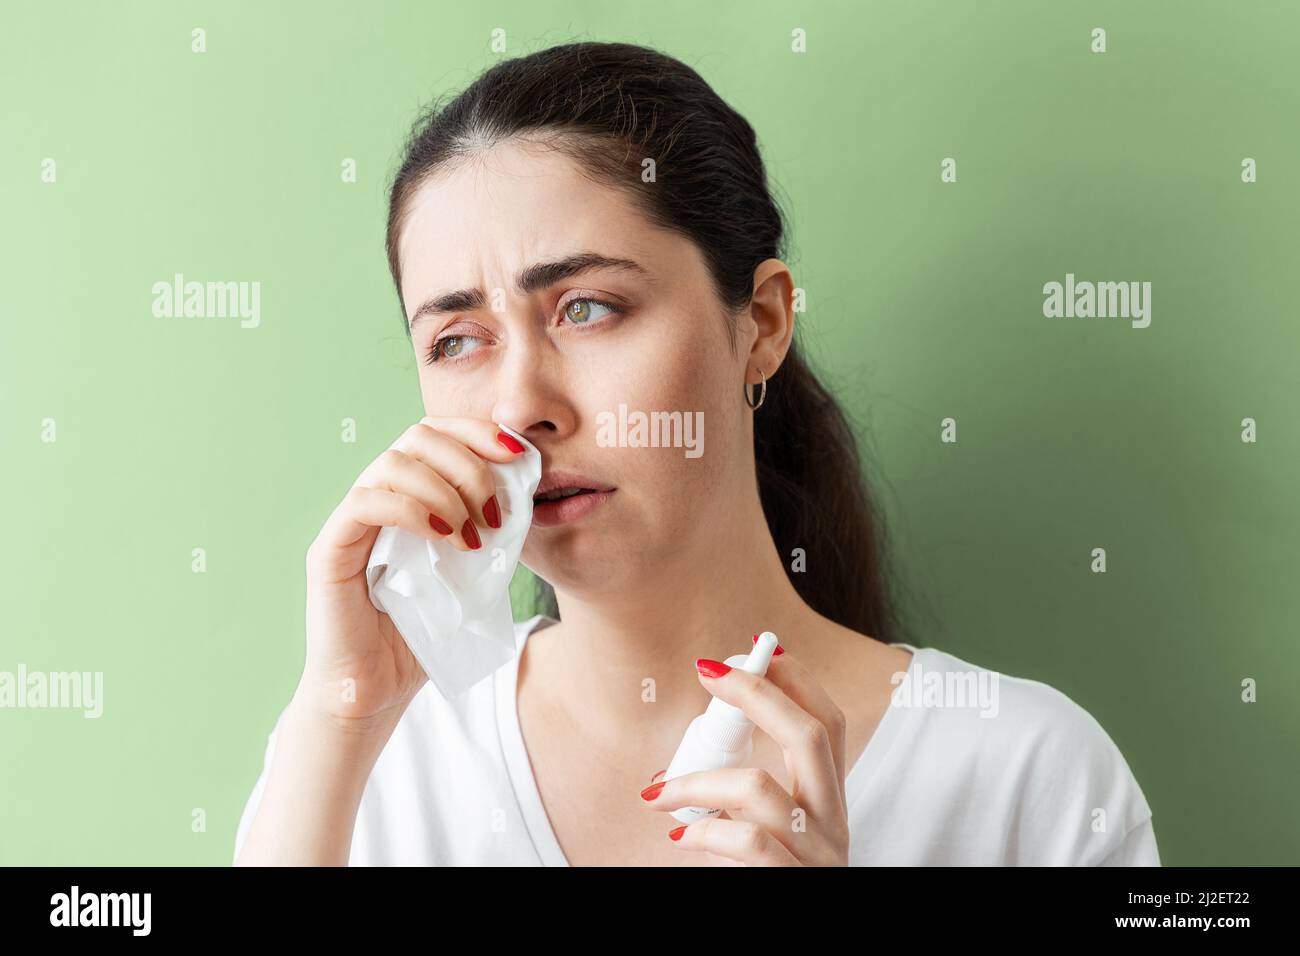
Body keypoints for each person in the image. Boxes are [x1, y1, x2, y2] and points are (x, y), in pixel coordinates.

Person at [233, 41, 1158, 866]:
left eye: (585, 308)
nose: (521, 409)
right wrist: (342, 714)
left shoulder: (1027, 775)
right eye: (457, 340)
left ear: (759, 324)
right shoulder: (374, 763)